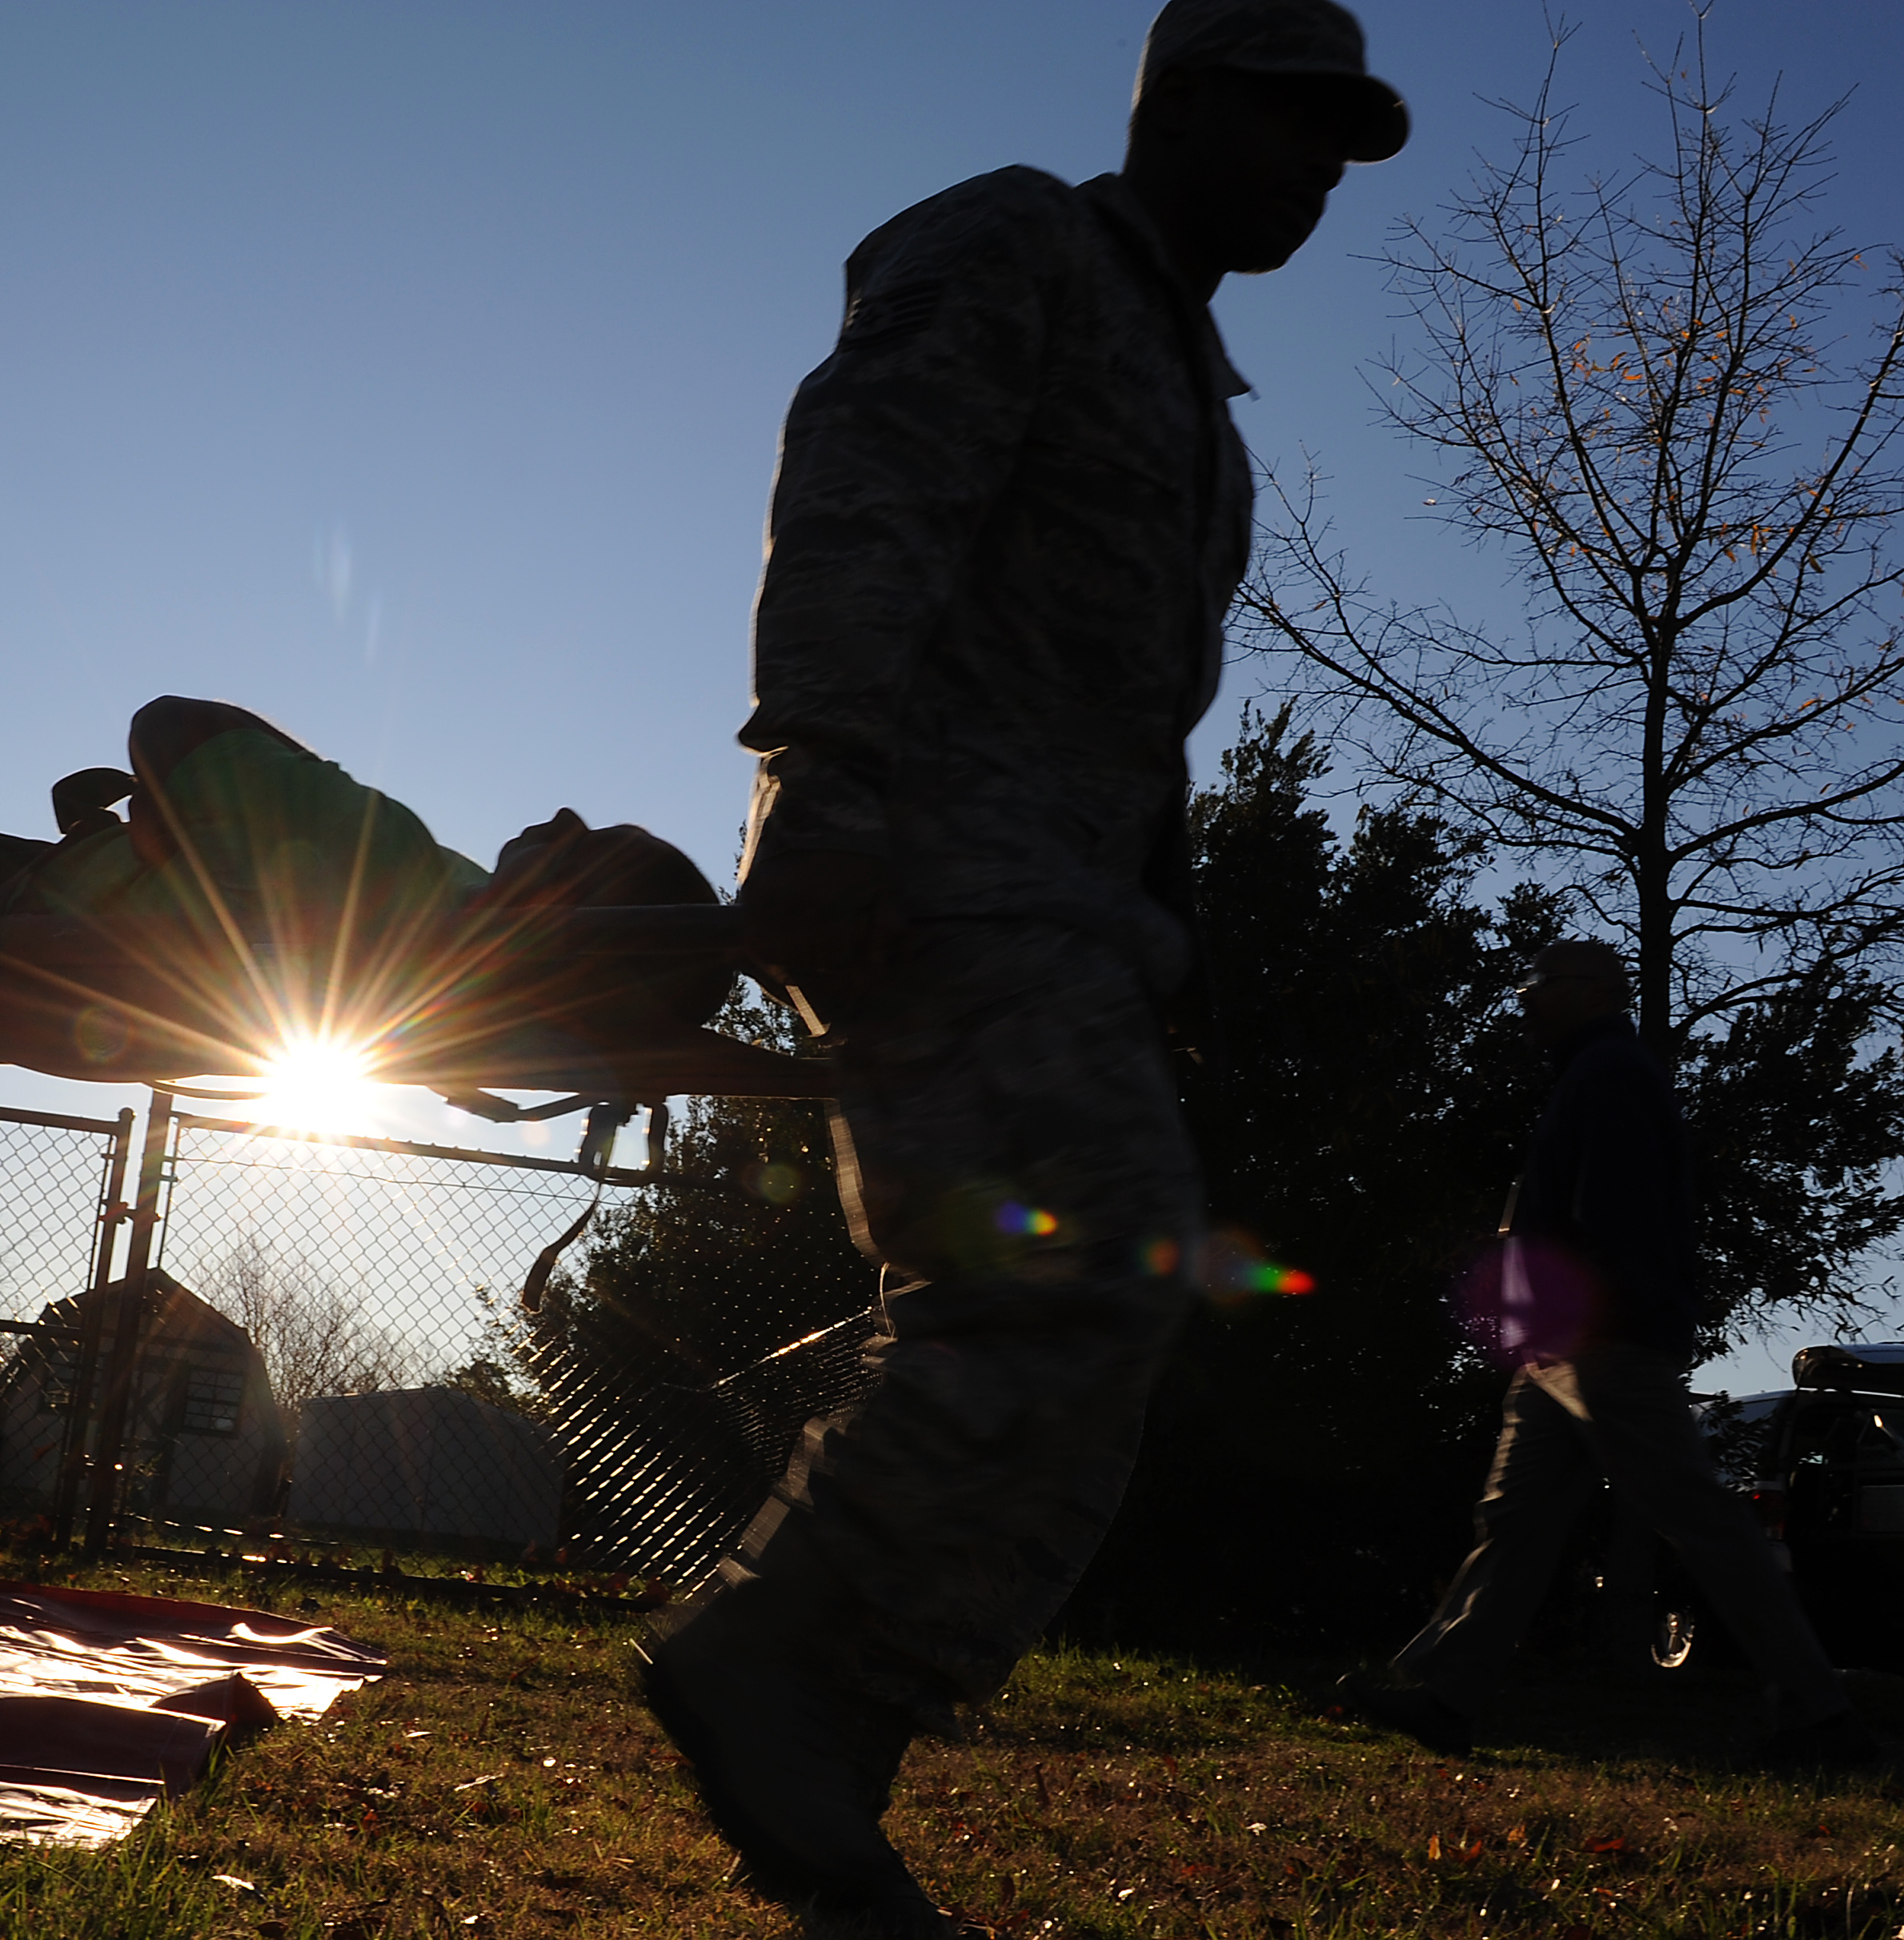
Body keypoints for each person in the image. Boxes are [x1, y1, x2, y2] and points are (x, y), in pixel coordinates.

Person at [639, 2, 1408, 1930]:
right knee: (1078, 1268)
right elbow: (865, 488)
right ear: (1184, 99)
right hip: (918, 854)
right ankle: (760, 1665)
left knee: (1061, 1314)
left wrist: (1175, 921)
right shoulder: (1016, 246)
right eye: (1297, 123)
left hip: (1061, 898)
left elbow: (1137, 706)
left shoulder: (1199, 393)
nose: (1323, 171)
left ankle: (831, 1791)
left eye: (1347, 143)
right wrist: (824, 781)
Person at [1336, 941, 1878, 1768]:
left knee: (1697, 1516)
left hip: (1602, 1337)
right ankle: (1445, 1696)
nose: (1522, 998)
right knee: (1514, 1520)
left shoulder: (1611, 1074)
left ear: (1588, 993)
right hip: (1564, 1345)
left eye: (1536, 984)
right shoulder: (1589, 1075)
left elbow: (1617, 1213)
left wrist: (1586, 1313)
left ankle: (1821, 1719)